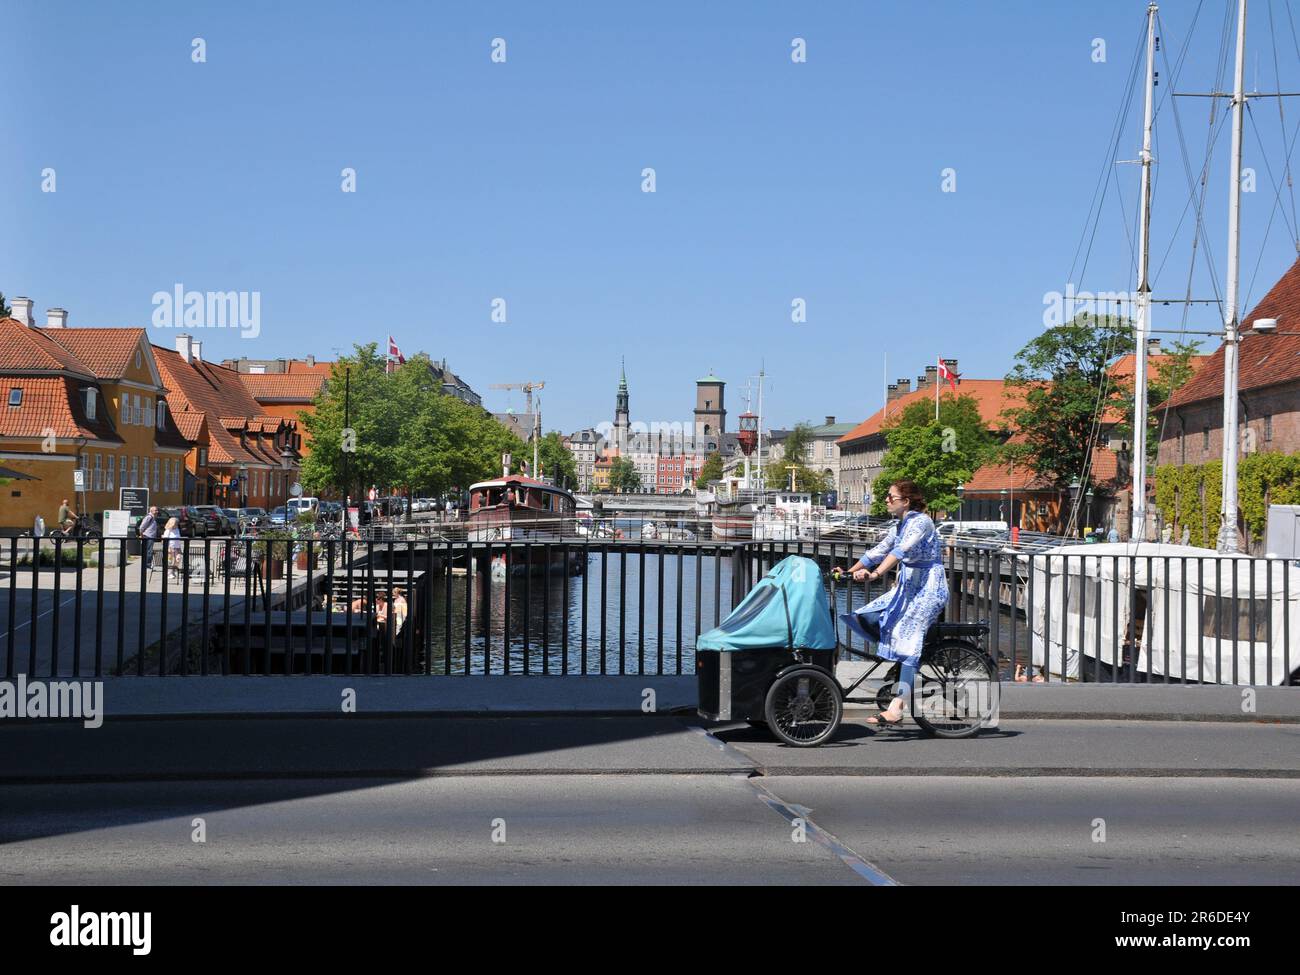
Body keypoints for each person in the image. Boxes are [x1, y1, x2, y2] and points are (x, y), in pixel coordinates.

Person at [839, 480, 949, 726]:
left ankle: (897, 707)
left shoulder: (921, 522)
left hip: (928, 588)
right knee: (865, 616)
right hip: (908, 587)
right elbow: (879, 550)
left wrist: (876, 575)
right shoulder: (900, 524)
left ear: (906, 501)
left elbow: (899, 551)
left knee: (907, 637)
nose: (887, 500)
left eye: (891, 497)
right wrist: (849, 571)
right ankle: (899, 667)